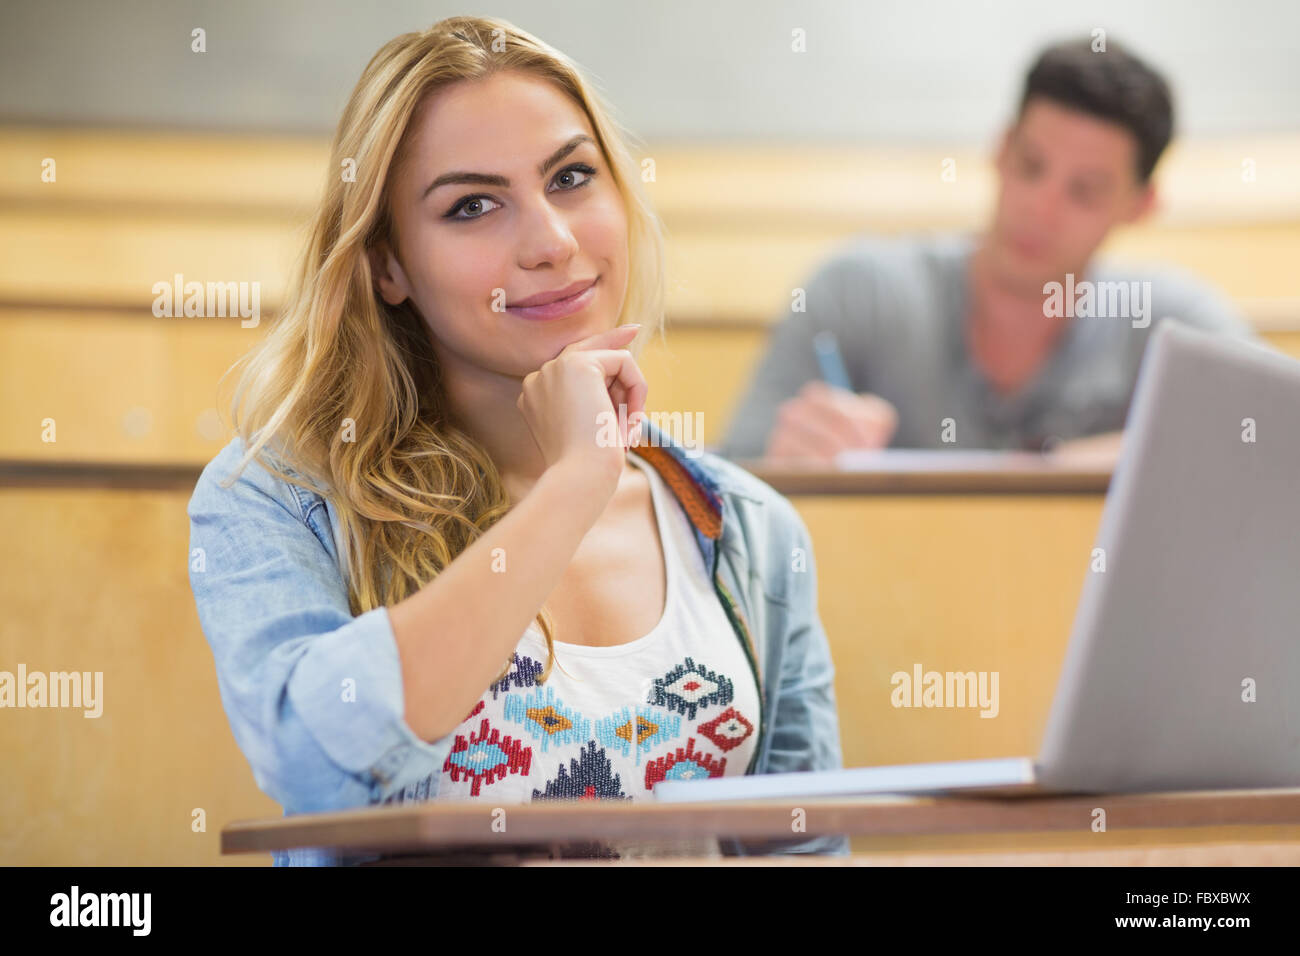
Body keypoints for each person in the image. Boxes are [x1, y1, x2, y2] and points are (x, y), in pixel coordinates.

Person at [187, 16, 848, 865]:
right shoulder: (276, 500)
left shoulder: (748, 527)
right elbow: (315, 764)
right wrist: (574, 487)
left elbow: (806, 847)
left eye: (572, 177)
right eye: (472, 205)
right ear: (388, 266)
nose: (552, 242)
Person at [720, 37, 1258, 467]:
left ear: (1140, 206)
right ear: (1000, 149)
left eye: (1084, 191)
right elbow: (717, 489)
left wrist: (1100, 462)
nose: (1040, 209)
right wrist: (779, 463)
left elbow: (1272, 440)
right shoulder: (858, 292)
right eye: (1030, 165)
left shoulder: (1168, 325)